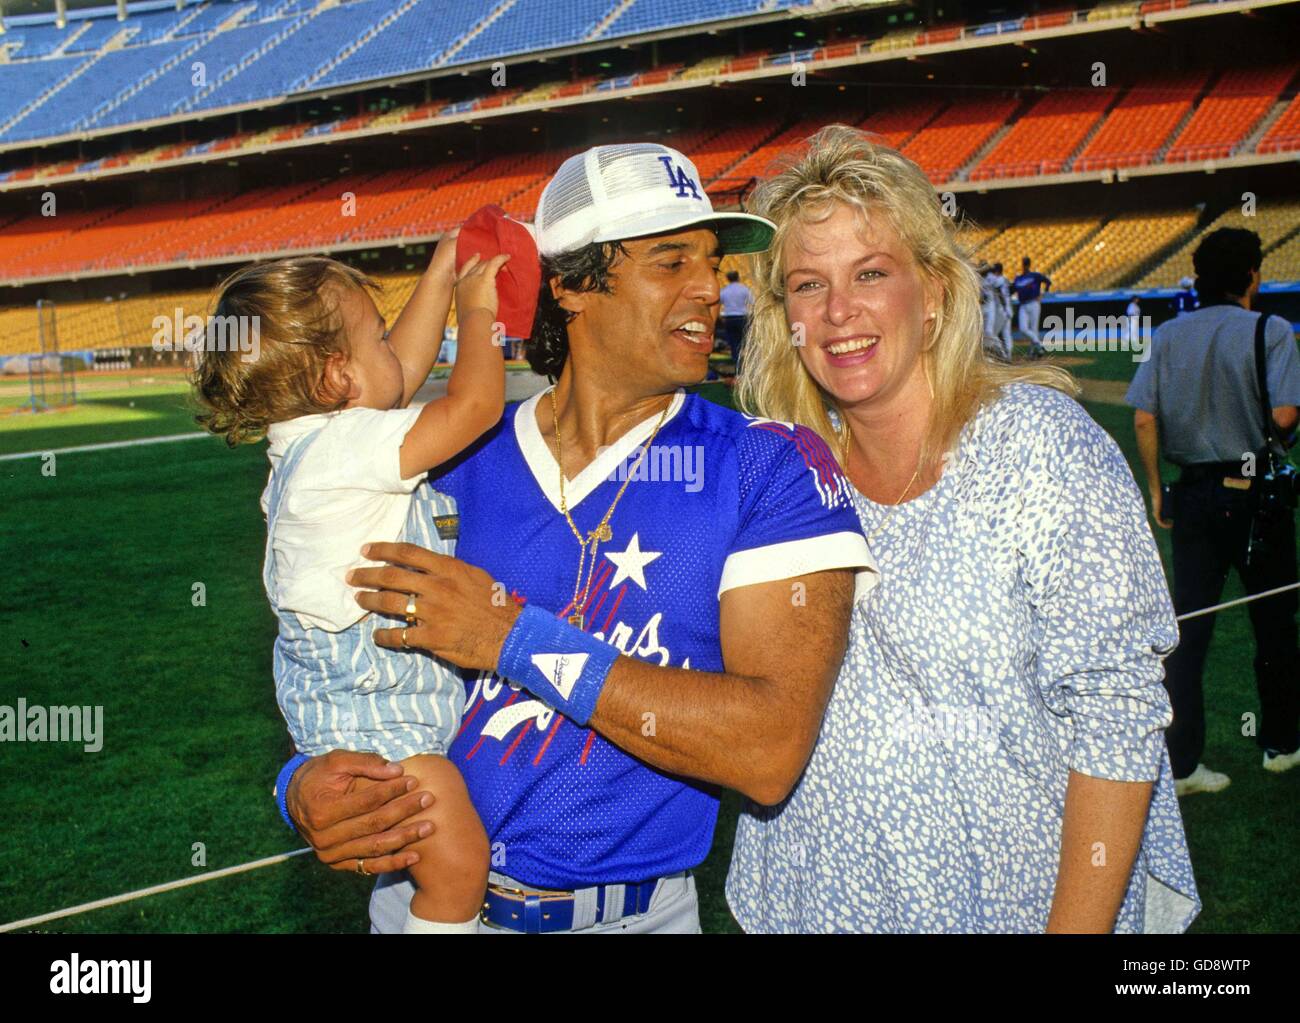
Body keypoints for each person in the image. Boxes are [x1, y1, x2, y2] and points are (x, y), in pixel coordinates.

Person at [276, 142, 876, 934]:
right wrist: (301, 783)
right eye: (671, 262)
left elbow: (768, 751)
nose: (713, 288)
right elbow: (320, 624)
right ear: (570, 284)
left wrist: (512, 637)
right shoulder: (447, 455)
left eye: (713, 261)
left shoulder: (767, 466)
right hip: (422, 905)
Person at [728, 125, 1199, 932]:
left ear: (936, 290)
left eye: (871, 273)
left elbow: (1118, 721)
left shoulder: (1041, 449)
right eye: (808, 285)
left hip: (1016, 903)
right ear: (784, 318)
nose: (840, 311)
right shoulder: (778, 471)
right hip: (819, 901)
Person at [192, 241, 511, 933]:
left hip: (349, 708)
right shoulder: (346, 450)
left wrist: (442, 268)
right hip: (379, 719)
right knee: (458, 867)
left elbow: (394, 374)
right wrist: (478, 309)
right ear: (338, 377)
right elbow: (477, 405)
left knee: (447, 857)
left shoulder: (314, 444)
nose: (395, 347)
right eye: (377, 334)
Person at [1127, 227, 1300, 795]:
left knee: (1190, 630)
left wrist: (1158, 489)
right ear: (1252, 275)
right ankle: (1280, 744)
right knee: (1273, 624)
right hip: (1257, 499)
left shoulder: (1170, 334)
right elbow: (1282, 418)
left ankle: (1181, 765)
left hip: (1195, 496)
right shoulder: (1271, 330)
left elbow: (1145, 419)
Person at [1013, 255, 1051, 358]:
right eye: (1023, 263)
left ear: (1028, 264)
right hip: (1023, 305)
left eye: (1026, 263)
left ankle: (1032, 352)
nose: (1024, 265)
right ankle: (1039, 345)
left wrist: (1043, 293)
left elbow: (1048, 282)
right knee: (1023, 328)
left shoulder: (1035, 275)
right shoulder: (1018, 278)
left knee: (1034, 329)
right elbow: (1013, 289)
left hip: (1034, 303)